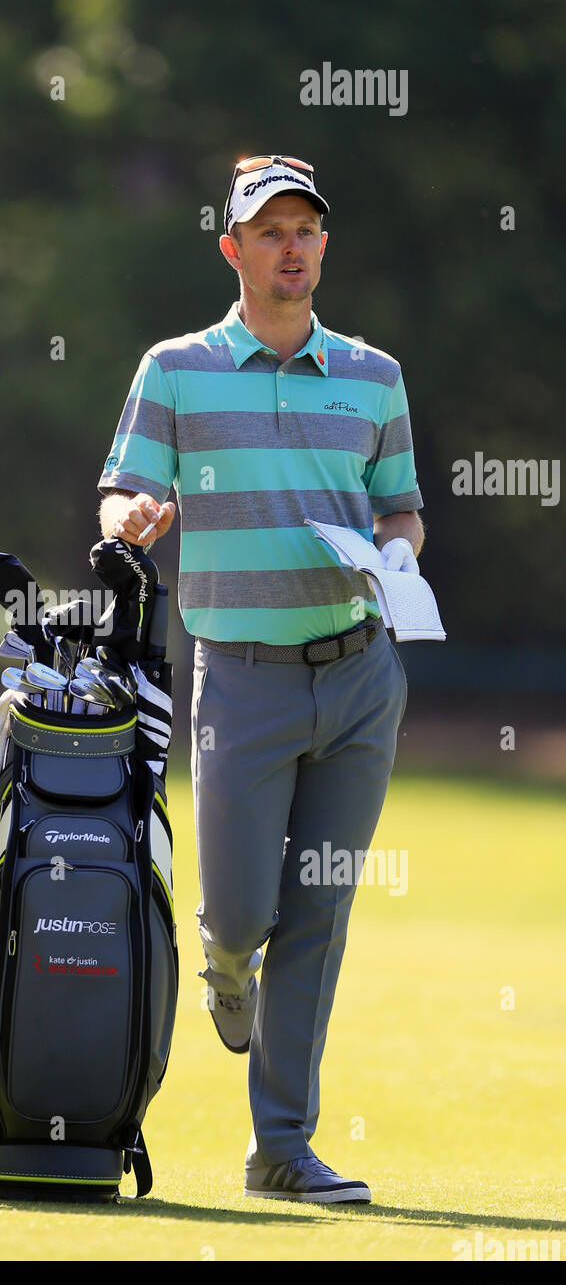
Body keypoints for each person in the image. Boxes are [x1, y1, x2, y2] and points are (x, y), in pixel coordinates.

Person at [97, 156, 423, 1203]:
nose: (292, 247)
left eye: (307, 230)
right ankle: (225, 965)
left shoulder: (373, 374)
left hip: (360, 674)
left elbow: (402, 507)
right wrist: (132, 523)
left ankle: (282, 1149)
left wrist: (402, 555)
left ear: (324, 246)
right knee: (241, 914)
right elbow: (125, 490)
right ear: (233, 248)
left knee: (319, 912)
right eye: (270, 231)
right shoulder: (177, 367)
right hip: (241, 678)